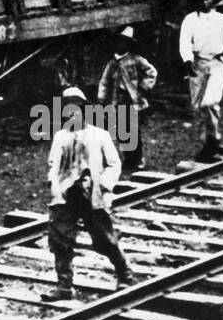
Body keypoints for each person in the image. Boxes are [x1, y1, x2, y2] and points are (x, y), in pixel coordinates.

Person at [42, 87, 133, 300]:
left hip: (92, 195)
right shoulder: (60, 137)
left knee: (104, 238)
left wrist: (103, 186)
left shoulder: (99, 135)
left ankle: (125, 275)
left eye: (76, 106)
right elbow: (53, 165)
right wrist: (54, 186)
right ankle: (64, 286)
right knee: (60, 240)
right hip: (66, 195)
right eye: (67, 107)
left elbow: (114, 164)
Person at [178, 0, 223, 161]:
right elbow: (185, 42)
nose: (206, 1)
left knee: (210, 102)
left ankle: (213, 139)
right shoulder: (190, 20)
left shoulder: (221, 19)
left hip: (215, 64)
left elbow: (214, 43)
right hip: (198, 64)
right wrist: (188, 60)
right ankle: (207, 142)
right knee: (198, 106)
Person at [95, 27, 157, 174]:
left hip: (134, 101)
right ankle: (129, 159)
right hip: (119, 101)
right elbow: (104, 82)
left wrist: (144, 86)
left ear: (129, 44)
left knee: (133, 130)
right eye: (118, 41)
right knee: (122, 131)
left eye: (124, 42)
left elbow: (152, 72)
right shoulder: (112, 63)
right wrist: (101, 98)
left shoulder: (136, 59)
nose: (120, 44)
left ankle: (138, 159)